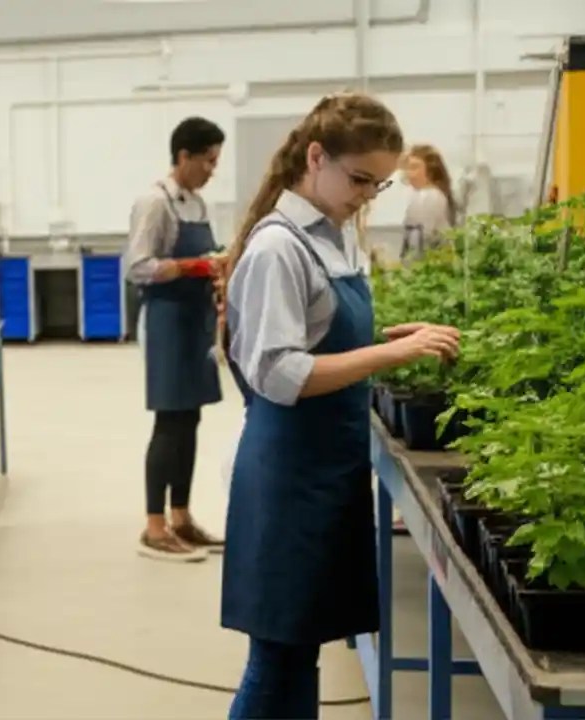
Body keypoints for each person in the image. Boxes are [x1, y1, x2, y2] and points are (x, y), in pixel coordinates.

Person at [220, 93, 461, 719]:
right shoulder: (279, 247)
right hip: (288, 478)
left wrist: (385, 342)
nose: (365, 196)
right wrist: (388, 360)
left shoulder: (331, 238)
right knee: (277, 662)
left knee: (300, 655)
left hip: (326, 470)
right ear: (316, 156)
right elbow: (278, 372)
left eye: (377, 185)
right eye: (359, 180)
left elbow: (321, 338)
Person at [123, 116, 227, 561]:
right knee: (169, 421)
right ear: (183, 156)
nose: (211, 169)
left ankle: (181, 517)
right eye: (207, 160)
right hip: (167, 321)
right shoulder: (156, 202)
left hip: (195, 321)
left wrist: (218, 270)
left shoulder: (196, 204)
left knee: (190, 421)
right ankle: (154, 526)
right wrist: (190, 267)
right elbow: (137, 266)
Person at [399, 143, 457, 264]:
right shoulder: (420, 195)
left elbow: (422, 237)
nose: (410, 174)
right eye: (408, 168)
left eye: (415, 167)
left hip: (431, 266)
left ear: (430, 171)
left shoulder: (431, 196)